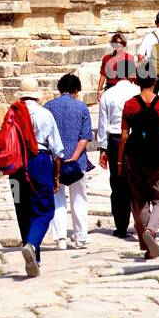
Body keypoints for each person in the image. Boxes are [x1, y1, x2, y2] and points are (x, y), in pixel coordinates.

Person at [4, 76, 63, 277]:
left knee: (22, 208)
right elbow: (57, 150)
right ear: (36, 94)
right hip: (39, 163)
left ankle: (34, 258)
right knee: (45, 210)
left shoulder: (12, 113)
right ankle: (32, 245)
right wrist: (56, 176)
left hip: (15, 167)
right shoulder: (45, 114)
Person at [119, 69, 159, 259]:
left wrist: (120, 161)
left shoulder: (129, 105)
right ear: (155, 81)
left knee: (139, 201)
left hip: (134, 157)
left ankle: (146, 246)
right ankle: (151, 231)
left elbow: (124, 137)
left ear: (136, 81)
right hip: (158, 159)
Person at [45, 73, 91, 250]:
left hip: (54, 161)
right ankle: (80, 238)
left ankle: (61, 239)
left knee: (57, 198)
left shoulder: (48, 107)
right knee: (79, 198)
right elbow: (85, 137)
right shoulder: (81, 108)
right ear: (76, 90)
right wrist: (75, 156)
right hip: (76, 163)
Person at [98, 57, 140, 239]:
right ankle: (142, 222)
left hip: (115, 141)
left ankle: (121, 225)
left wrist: (102, 148)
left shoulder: (108, 94)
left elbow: (102, 124)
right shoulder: (138, 91)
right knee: (138, 181)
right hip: (136, 139)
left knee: (117, 182)